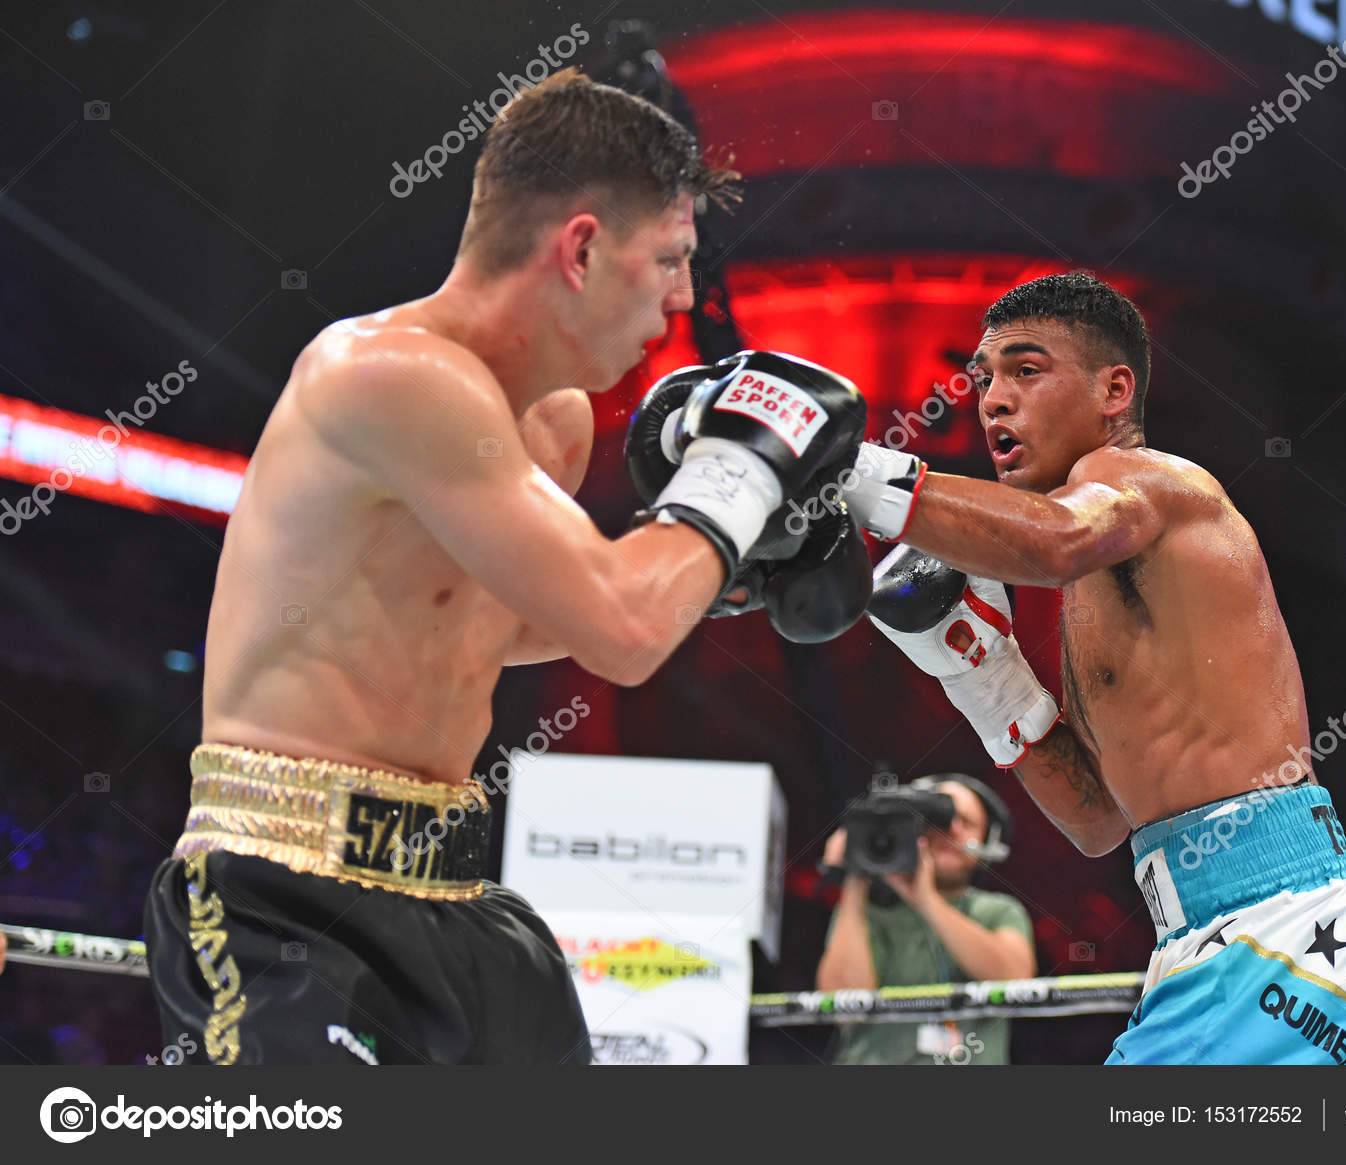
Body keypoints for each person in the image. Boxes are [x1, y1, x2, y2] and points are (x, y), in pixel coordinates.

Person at [142, 69, 865, 1065]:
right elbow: (620, 630)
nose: (683, 297)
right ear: (580, 248)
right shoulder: (388, 377)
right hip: (286, 896)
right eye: (668, 259)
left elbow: (517, 622)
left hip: (461, 901)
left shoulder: (551, 421)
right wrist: (740, 475)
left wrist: (725, 579)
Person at [845, 272, 1346, 1064]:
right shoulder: (1098, 580)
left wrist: (843, 468)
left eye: (1027, 370)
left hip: (1279, 936)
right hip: (1232, 939)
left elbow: (1050, 541)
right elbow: (1097, 819)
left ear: (1115, 390)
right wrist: (977, 667)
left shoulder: (1142, 483)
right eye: (986, 378)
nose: (994, 399)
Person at [815, 775, 1035, 1064]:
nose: (952, 830)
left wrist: (925, 899)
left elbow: (1015, 980)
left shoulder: (998, 911)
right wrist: (856, 875)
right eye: (940, 819)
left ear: (986, 842)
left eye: (966, 823)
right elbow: (841, 1005)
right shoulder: (866, 913)